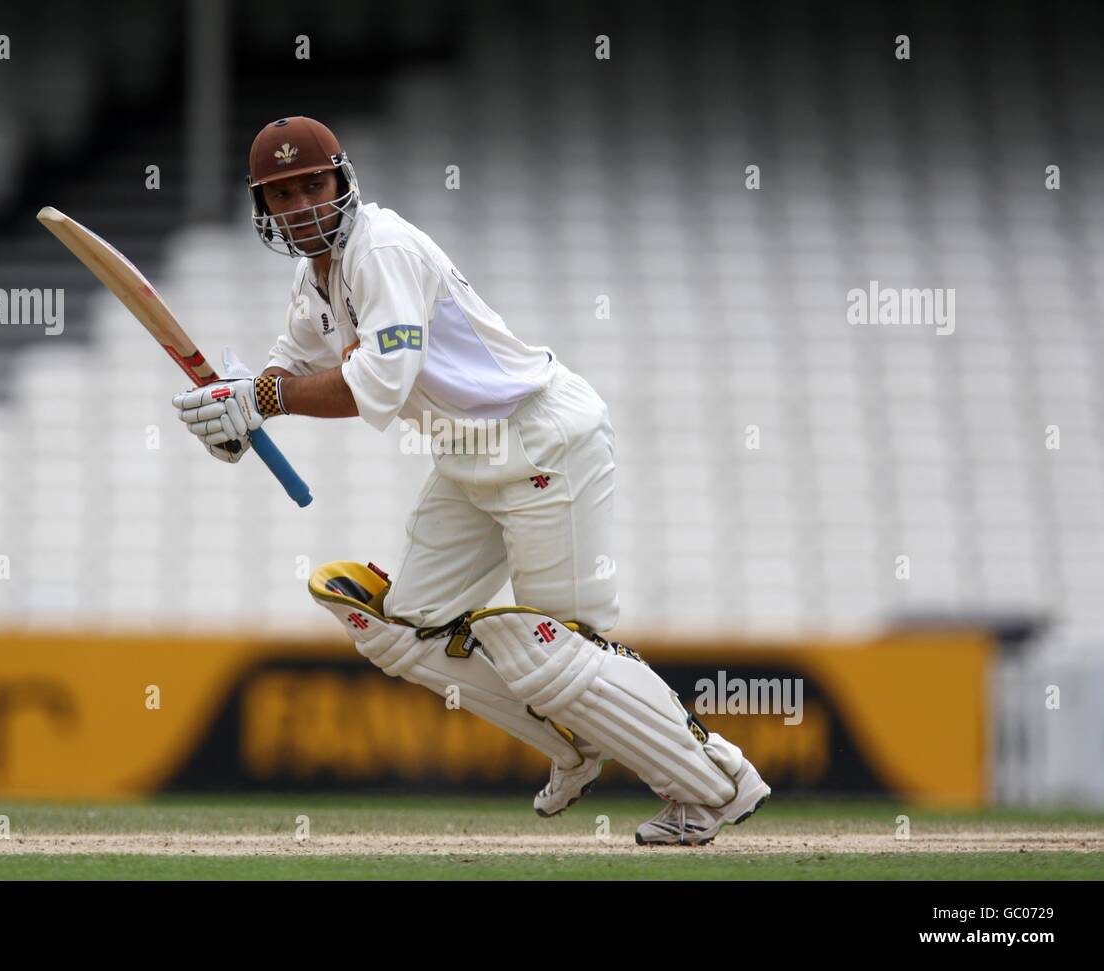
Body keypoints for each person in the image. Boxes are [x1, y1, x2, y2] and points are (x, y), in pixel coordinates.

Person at [172, 117, 769, 844]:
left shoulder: (380, 249)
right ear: (264, 208)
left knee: (555, 644)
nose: (301, 204)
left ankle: (713, 783)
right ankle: (568, 743)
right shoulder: (315, 276)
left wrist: (258, 403)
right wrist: (237, 414)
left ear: (342, 181)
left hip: (545, 440)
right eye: (282, 193)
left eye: (312, 185)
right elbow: (286, 369)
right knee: (402, 627)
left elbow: (376, 388)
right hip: (467, 453)